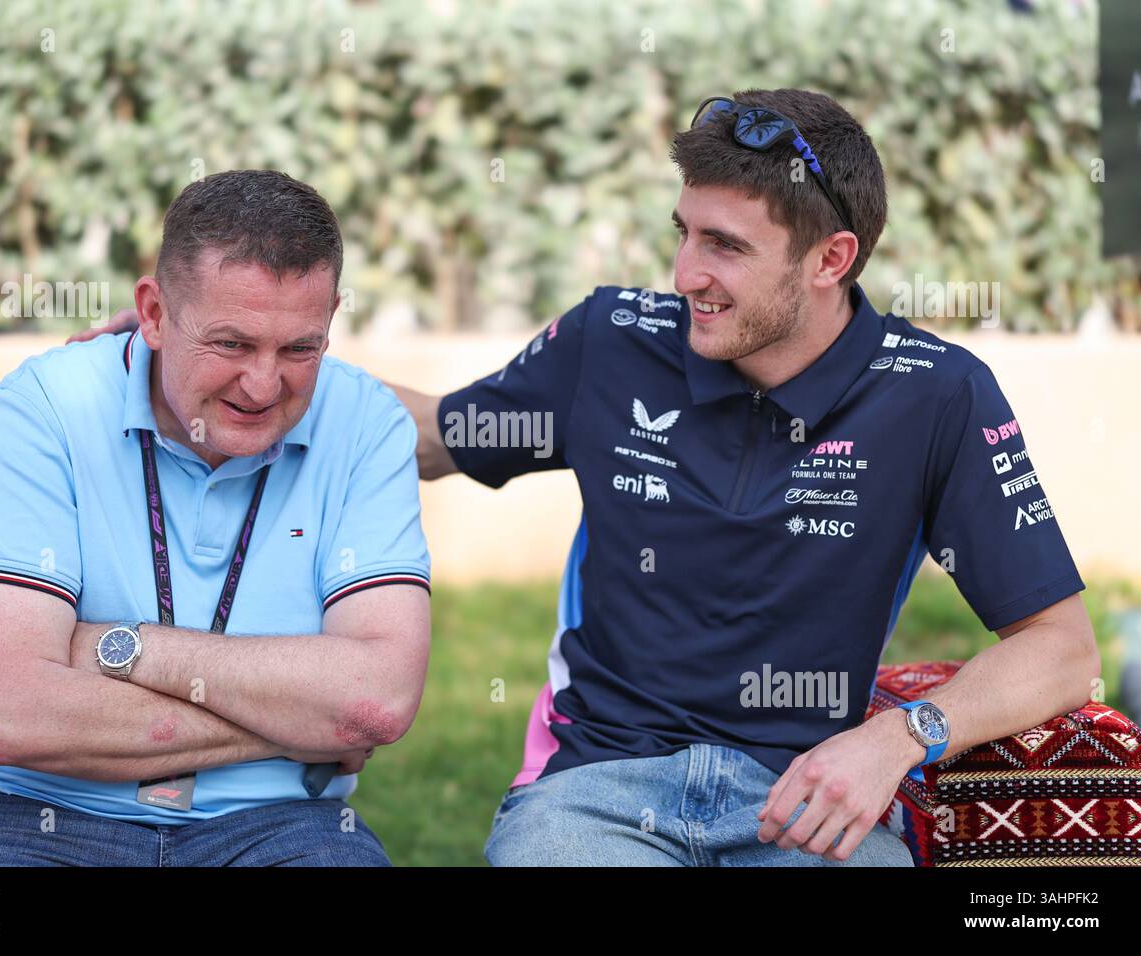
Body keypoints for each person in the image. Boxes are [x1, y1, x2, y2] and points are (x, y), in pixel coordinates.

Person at [395, 88, 1098, 866]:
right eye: (684, 233)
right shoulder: (611, 340)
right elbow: (432, 437)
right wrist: (278, 369)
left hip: (808, 800)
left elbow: (1061, 650)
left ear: (831, 258)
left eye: (725, 246)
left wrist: (897, 739)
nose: (685, 273)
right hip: (597, 792)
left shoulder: (936, 393)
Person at [0, 169, 431, 867]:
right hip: (32, 812)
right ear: (153, 314)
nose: (263, 384)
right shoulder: (42, 406)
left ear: (332, 318)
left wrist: (116, 648)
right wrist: (300, 724)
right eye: (232, 344)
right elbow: (10, 714)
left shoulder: (368, 423)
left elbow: (377, 700)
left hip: (276, 825)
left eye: (301, 349)